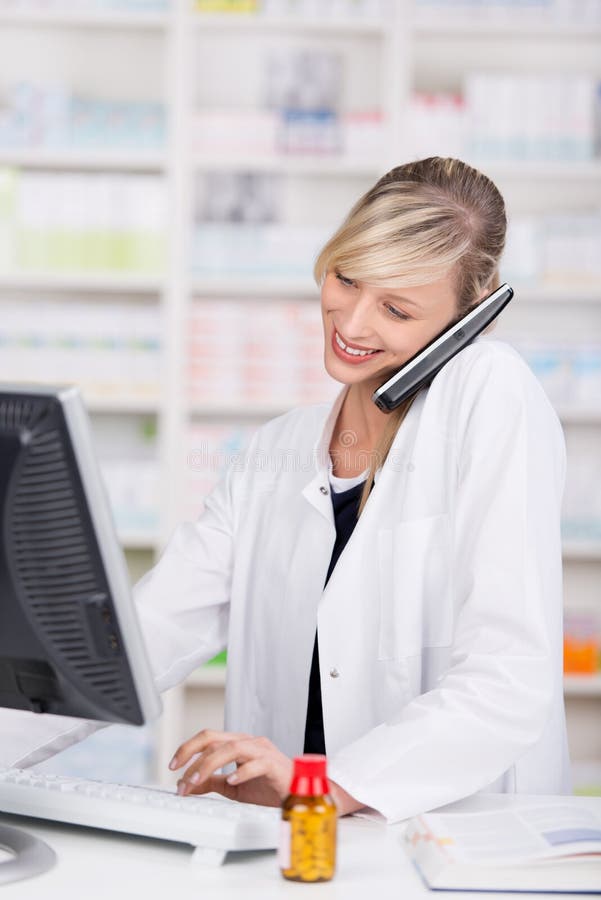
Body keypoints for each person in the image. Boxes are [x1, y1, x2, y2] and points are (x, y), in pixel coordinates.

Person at [2, 157, 570, 823]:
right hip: (293, 843)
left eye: (396, 307)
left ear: (468, 319)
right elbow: (148, 634)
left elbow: (507, 676)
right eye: (346, 277)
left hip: (449, 843)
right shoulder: (275, 451)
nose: (352, 324)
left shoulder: (489, 392)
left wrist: (321, 784)